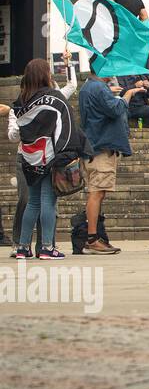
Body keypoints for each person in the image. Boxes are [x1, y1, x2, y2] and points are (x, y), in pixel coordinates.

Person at [8, 58, 84, 260]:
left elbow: (15, 135)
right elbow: (64, 129)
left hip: (28, 158)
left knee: (32, 203)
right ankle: (47, 248)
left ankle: (23, 248)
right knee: (48, 203)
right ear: (45, 75)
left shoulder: (19, 104)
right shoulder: (55, 99)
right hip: (50, 158)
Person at [80, 62, 136, 254]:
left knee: (98, 191)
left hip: (94, 146)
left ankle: (96, 236)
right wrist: (126, 97)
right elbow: (115, 109)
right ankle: (93, 238)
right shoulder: (98, 87)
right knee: (96, 192)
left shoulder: (89, 86)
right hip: (100, 148)